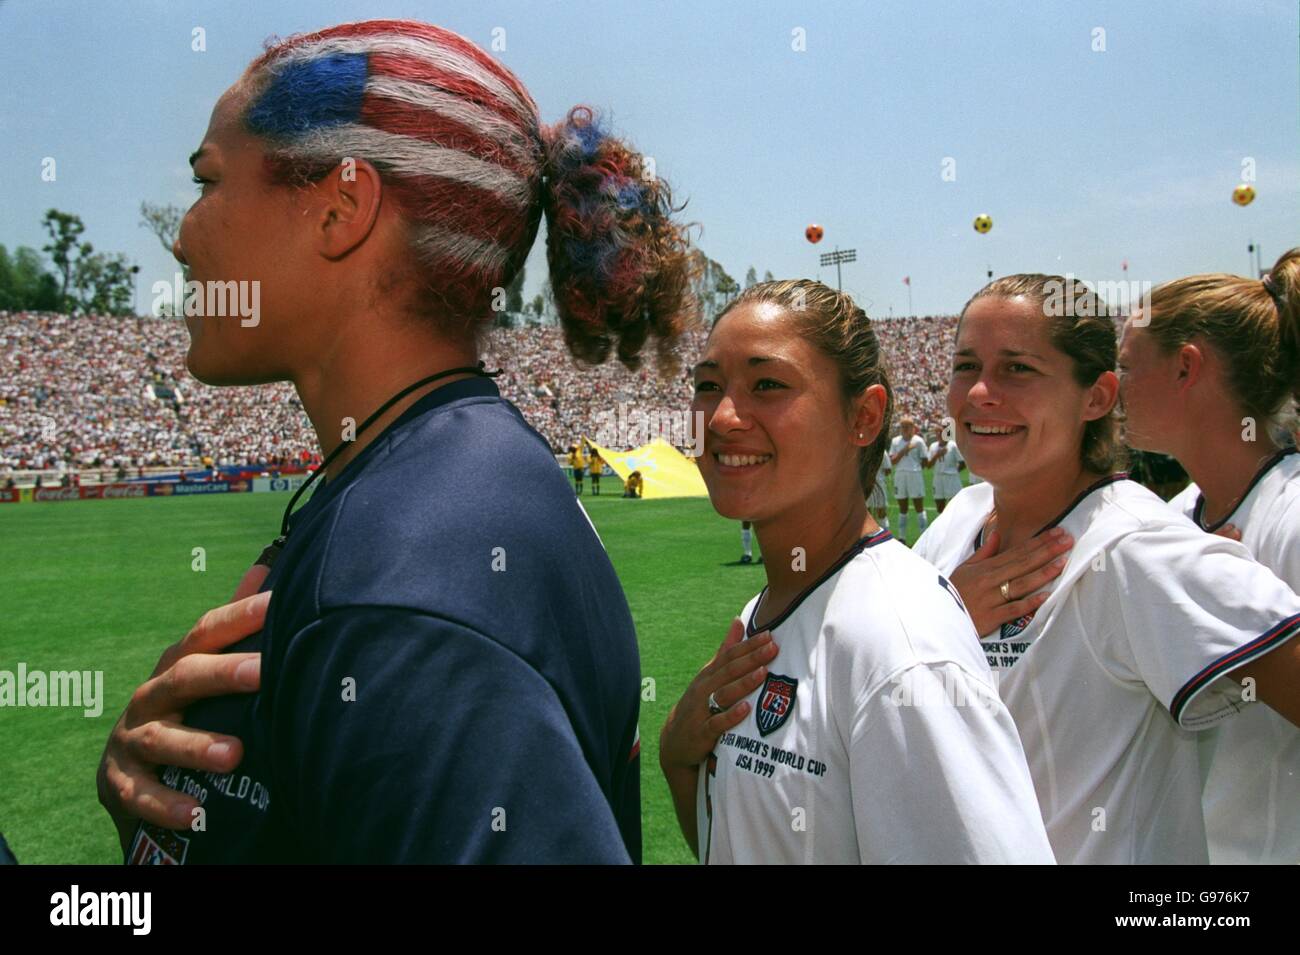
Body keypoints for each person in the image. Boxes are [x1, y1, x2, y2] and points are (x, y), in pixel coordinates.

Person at [96, 18, 693, 864]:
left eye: (208, 182)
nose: (181, 234)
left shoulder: (406, 580)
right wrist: (159, 831)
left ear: (341, 207)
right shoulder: (447, 476)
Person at [659, 279, 1054, 864]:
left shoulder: (900, 646)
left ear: (863, 417)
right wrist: (677, 758)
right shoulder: (767, 611)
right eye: (708, 385)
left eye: (767, 385)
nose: (721, 417)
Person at [913, 273, 1300, 864]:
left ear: (1096, 397)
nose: (979, 392)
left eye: (1017, 369)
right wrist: (944, 616)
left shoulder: (1137, 546)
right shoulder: (958, 523)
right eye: (966, 365)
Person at [1119, 248, 1300, 863]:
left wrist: (1223, 620)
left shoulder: (1292, 514)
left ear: (1185, 368)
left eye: (1127, 365)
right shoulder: (1173, 523)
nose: (1113, 387)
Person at [888, 415, 928, 543]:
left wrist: (915, 467)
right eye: (903, 426)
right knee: (902, 507)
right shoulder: (895, 441)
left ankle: (924, 537)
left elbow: (925, 461)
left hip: (915, 474)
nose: (905, 429)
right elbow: (893, 461)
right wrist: (905, 449)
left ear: (913, 428)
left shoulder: (919, 441)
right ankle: (902, 538)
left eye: (908, 426)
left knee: (919, 507)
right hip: (900, 475)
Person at [927, 432, 965, 512]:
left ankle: (955, 523)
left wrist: (954, 472)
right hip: (938, 477)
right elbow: (929, 465)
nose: (940, 434)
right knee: (939, 504)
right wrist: (937, 455)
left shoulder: (953, 445)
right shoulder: (933, 446)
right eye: (938, 432)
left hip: (951, 477)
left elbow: (962, 462)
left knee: (954, 505)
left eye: (942, 432)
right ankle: (941, 523)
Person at [867, 440, 891, 530]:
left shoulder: (882, 452)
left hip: (879, 484)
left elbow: (888, 469)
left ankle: (885, 533)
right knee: (866, 512)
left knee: (881, 511)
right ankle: (868, 536)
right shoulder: (862, 452)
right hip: (865, 485)